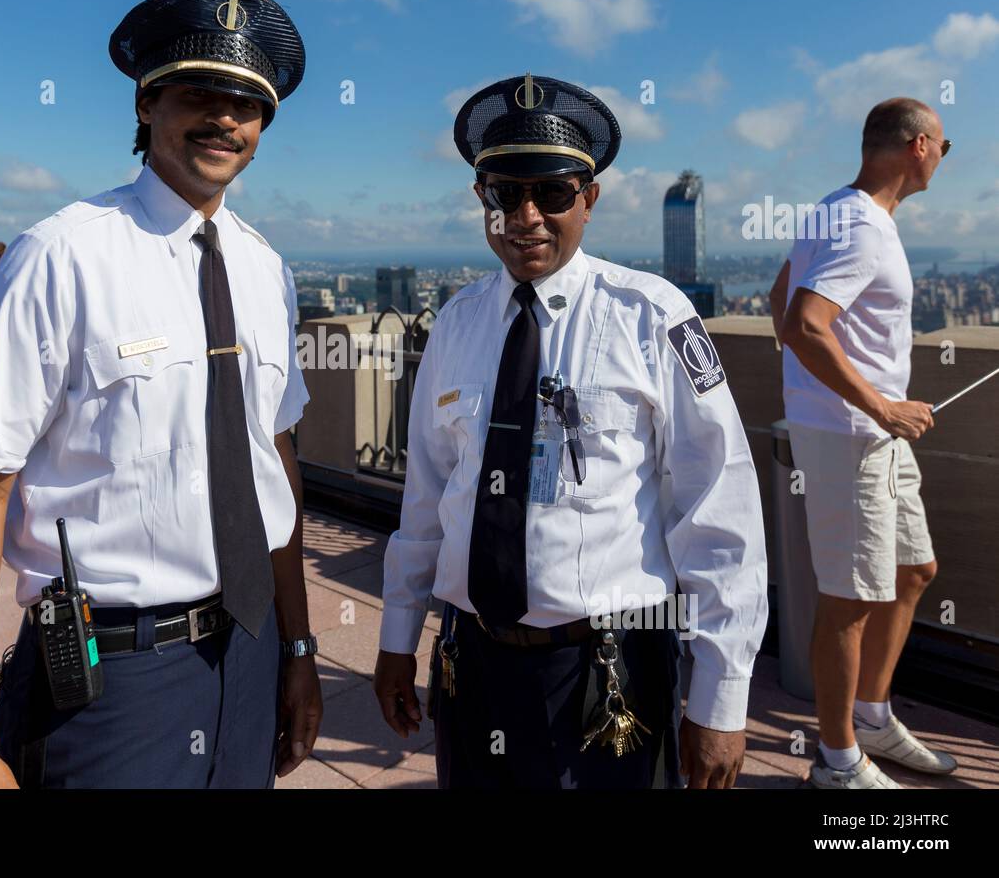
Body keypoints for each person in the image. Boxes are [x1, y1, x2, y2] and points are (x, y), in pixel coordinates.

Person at [0, 0, 321, 789]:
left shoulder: (266, 269)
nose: (225, 118)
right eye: (198, 91)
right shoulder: (62, 256)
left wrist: (299, 649)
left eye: (248, 103)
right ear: (147, 105)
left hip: (249, 657)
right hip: (112, 679)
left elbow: (272, 463)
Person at [372, 75, 769, 789]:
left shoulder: (651, 317)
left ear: (589, 197)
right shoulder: (457, 324)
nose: (525, 215)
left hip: (607, 676)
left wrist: (720, 700)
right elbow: (428, 501)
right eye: (504, 192)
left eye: (551, 193)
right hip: (472, 664)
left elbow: (717, 513)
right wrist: (398, 639)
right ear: (480, 199)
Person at [771, 97, 954, 788]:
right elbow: (809, 323)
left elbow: (779, 303)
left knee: (913, 571)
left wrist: (857, 403)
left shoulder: (836, 211)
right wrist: (879, 405)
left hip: (867, 433)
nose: (943, 157)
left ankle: (873, 714)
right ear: (918, 145)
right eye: (945, 145)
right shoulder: (862, 228)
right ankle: (839, 759)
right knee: (847, 602)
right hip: (855, 434)